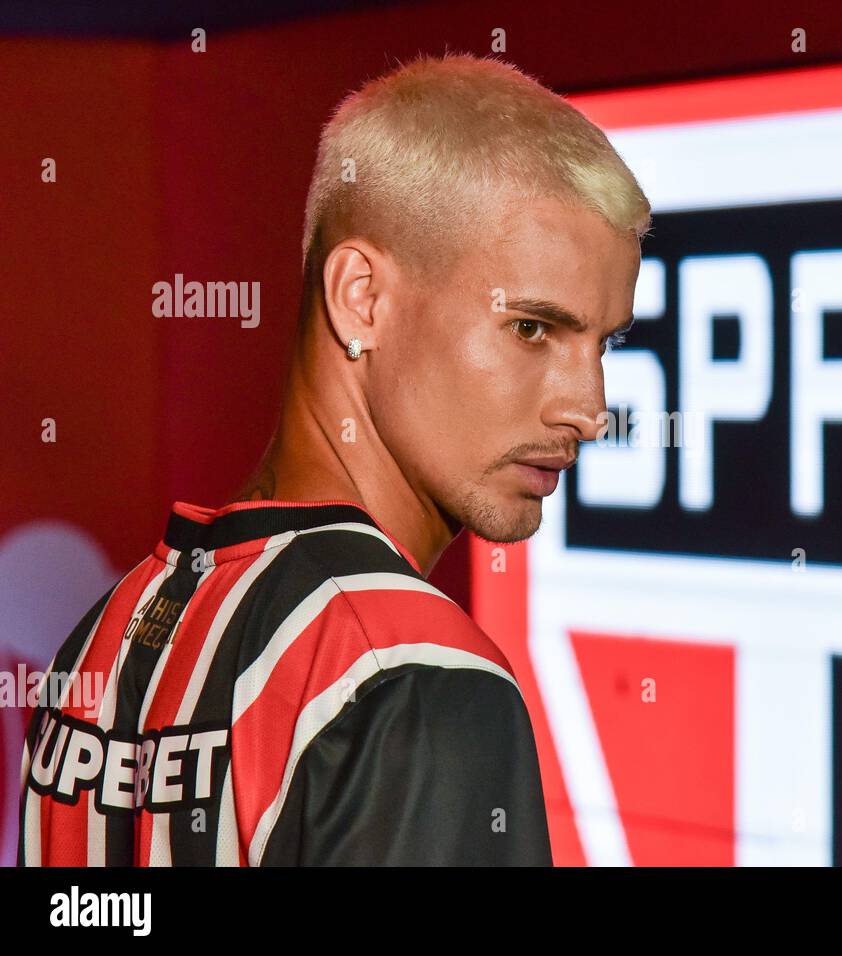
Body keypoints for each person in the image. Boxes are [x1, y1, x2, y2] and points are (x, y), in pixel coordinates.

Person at [16, 51, 650, 866]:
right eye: (532, 328)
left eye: (605, 342)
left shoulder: (100, 640)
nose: (587, 409)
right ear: (363, 298)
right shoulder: (415, 674)